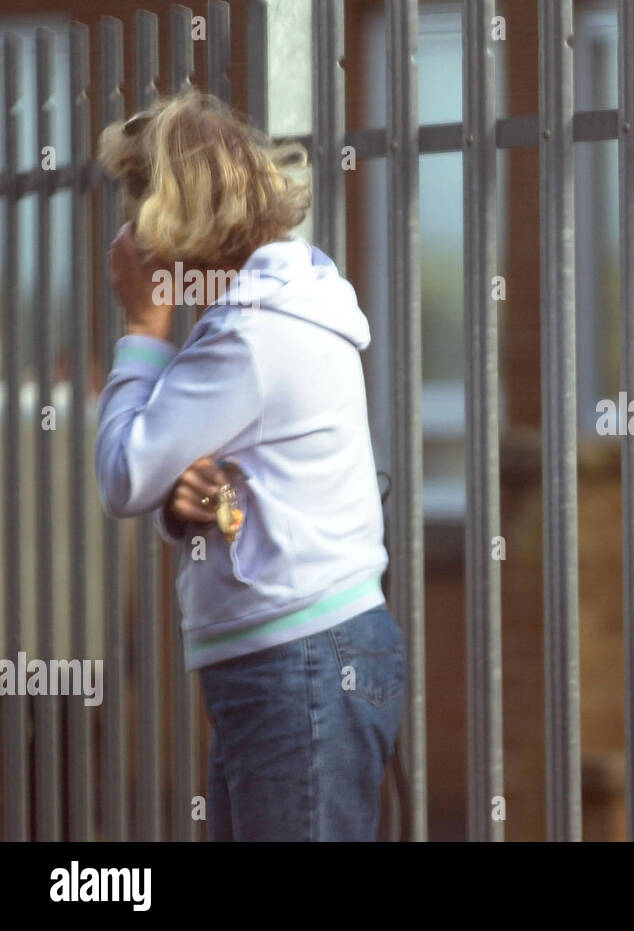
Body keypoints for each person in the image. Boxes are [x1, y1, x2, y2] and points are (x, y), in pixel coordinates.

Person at [94, 89, 403, 841]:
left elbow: (125, 471)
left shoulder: (248, 338)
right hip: (302, 658)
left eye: (140, 208)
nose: (132, 235)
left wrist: (141, 329)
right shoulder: (294, 299)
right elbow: (212, 478)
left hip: (294, 666)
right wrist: (188, 502)